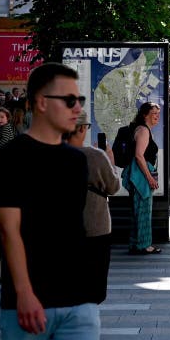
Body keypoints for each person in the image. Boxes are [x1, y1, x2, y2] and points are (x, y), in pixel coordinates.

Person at [0, 62, 99, 340]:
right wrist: (24, 293)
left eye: (79, 100)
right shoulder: (8, 158)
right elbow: (10, 231)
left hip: (79, 301)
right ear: (41, 102)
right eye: (68, 100)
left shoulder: (77, 161)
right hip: (28, 300)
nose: (76, 108)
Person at [65, 111, 121, 303]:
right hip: (95, 226)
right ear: (81, 128)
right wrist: (110, 161)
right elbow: (113, 187)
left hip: (63, 229)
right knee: (94, 285)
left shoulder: (51, 155)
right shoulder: (96, 156)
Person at [122, 102, 162, 255]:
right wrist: (150, 178)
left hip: (138, 174)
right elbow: (139, 156)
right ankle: (144, 245)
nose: (157, 116)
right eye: (154, 113)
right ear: (145, 115)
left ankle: (136, 243)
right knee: (144, 210)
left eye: (158, 113)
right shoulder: (143, 131)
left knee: (138, 211)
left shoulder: (142, 129)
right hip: (141, 175)